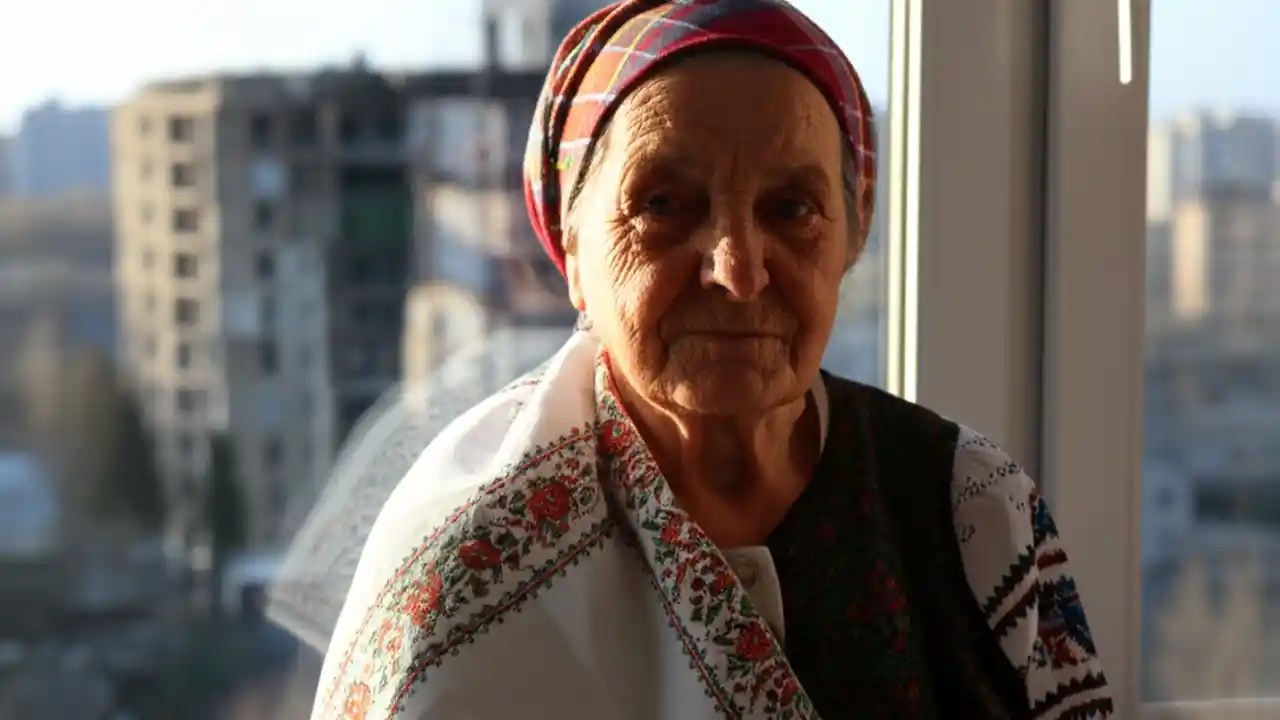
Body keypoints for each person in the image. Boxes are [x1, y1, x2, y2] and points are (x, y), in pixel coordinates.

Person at [311, 1, 1112, 717]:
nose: (737, 269)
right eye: (663, 205)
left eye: (791, 208)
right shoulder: (463, 570)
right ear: (573, 250)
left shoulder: (970, 512)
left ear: (851, 236)